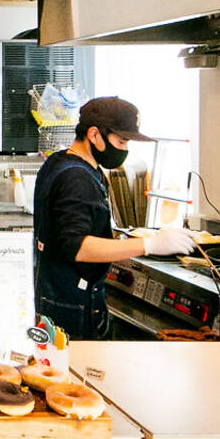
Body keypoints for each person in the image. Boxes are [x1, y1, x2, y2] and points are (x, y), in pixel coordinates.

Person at [32, 96, 198, 340]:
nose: (124, 149)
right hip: (73, 309)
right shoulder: (77, 179)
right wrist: (149, 245)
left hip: (55, 298)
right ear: (94, 134)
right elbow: (78, 247)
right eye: (121, 141)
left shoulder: (59, 161)